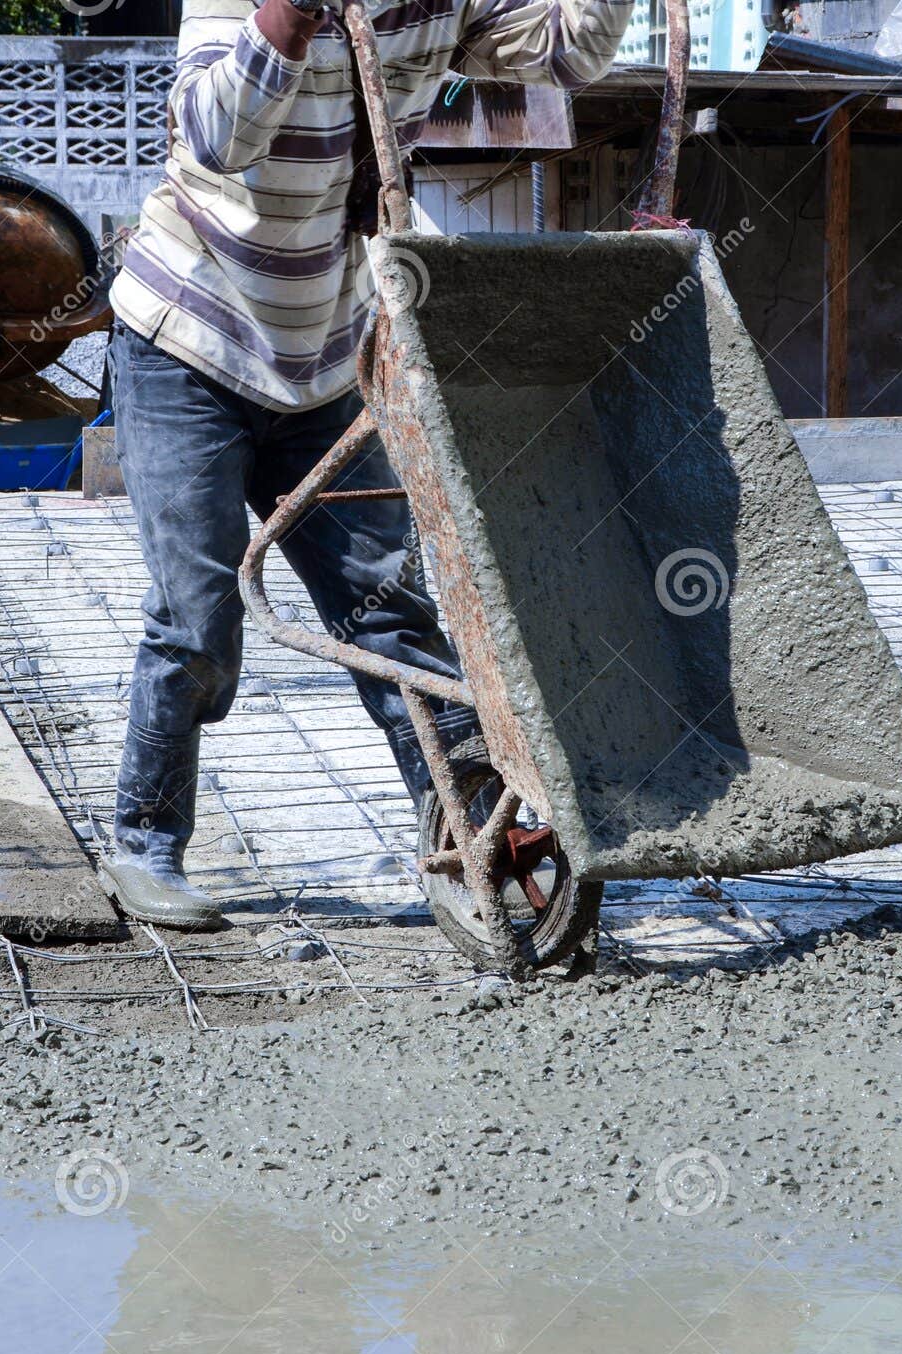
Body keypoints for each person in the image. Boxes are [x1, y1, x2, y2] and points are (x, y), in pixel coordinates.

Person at [99, 0, 632, 928]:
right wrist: (290, 21)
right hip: (192, 336)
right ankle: (144, 843)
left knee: (388, 615)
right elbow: (215, 138)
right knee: (196, 615)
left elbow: (568, 53)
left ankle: (469, 828)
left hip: (326, 358)